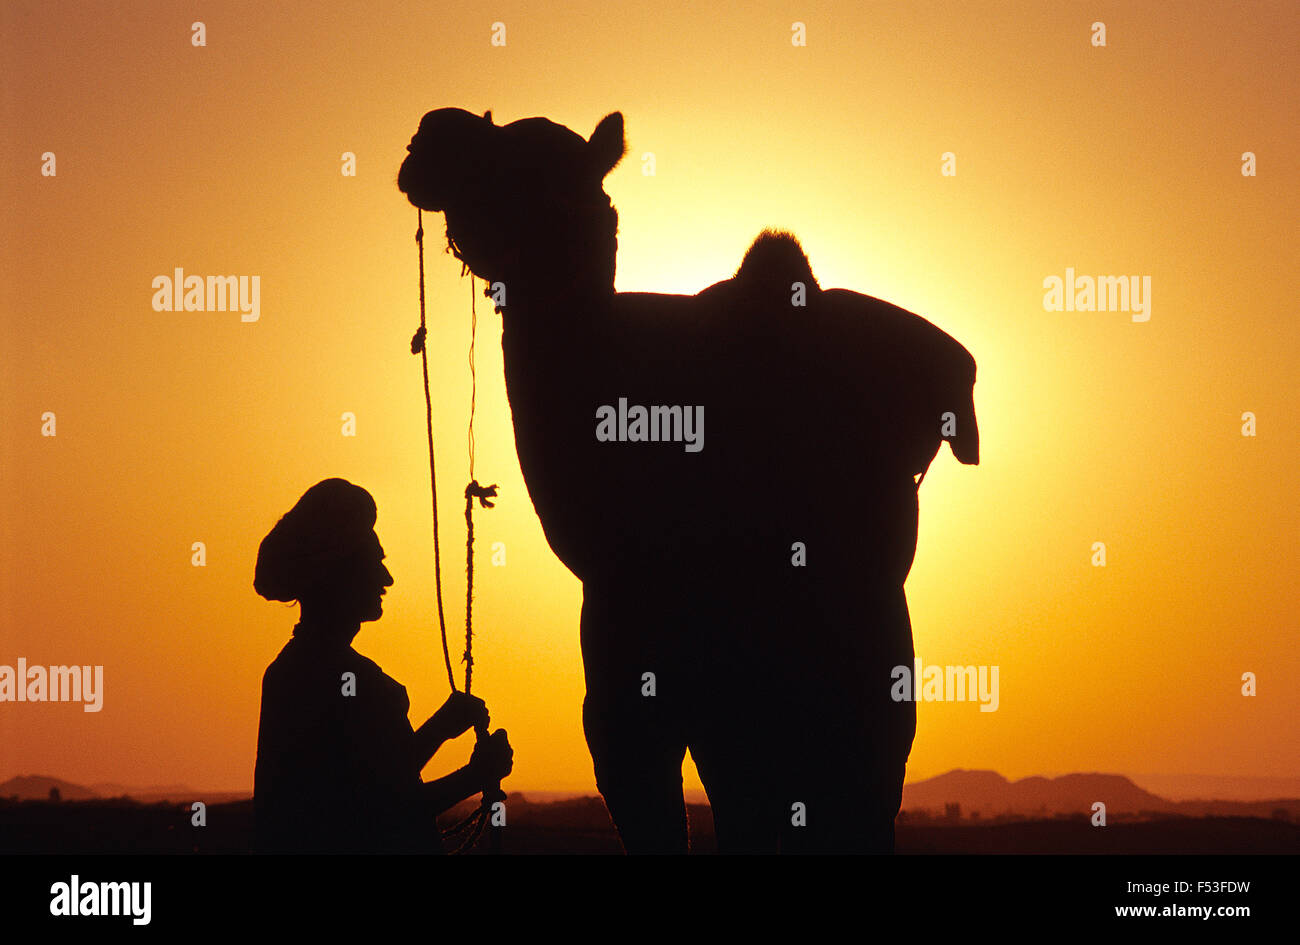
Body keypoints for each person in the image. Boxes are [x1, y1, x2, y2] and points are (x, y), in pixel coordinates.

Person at [251, 477, 512, 853]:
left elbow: (373, 779)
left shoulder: (291, 671)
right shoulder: (349, 681)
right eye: (374, 564)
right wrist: (477, 775)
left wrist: (440, 727)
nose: (387, 579)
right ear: (338, 576)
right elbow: (381, 809)